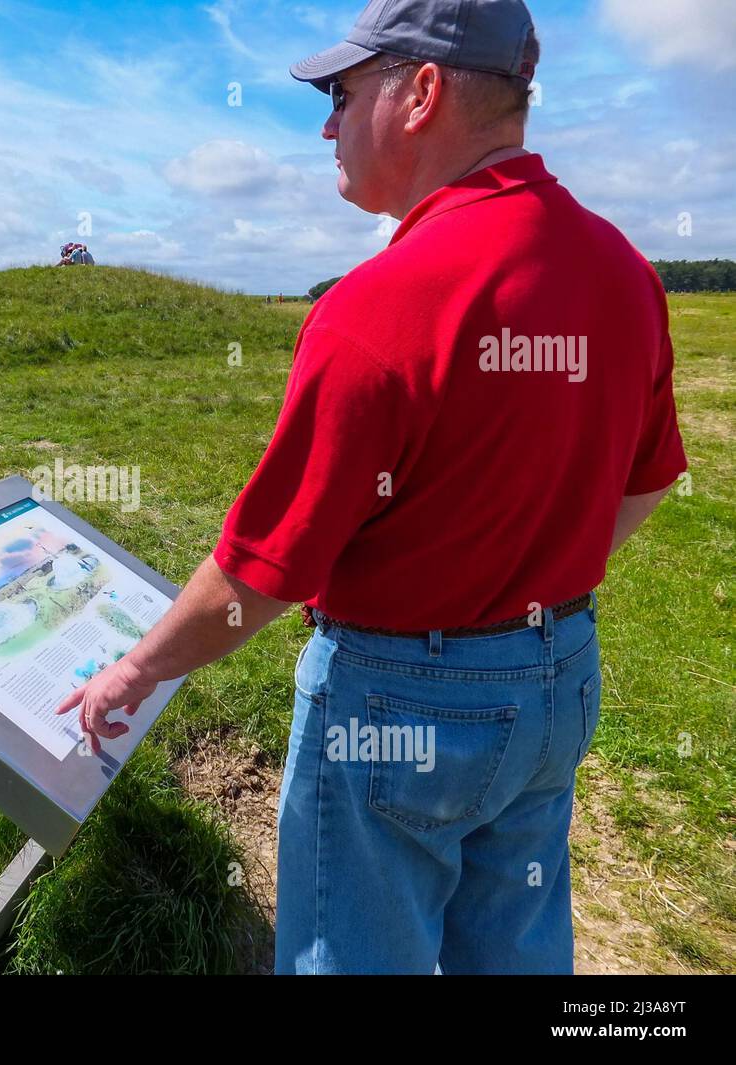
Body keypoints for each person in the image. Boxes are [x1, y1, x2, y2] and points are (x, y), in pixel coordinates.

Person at [55, 0, 686, 974]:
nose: (324, 125)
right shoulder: (621, 271)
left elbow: (256, 575)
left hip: (395, 708)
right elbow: (647, 480)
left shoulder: (380, 307)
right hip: (559, 674)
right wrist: (530, 581)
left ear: (420, 91)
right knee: (516, 946)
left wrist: (135, 672)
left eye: (342, 93)